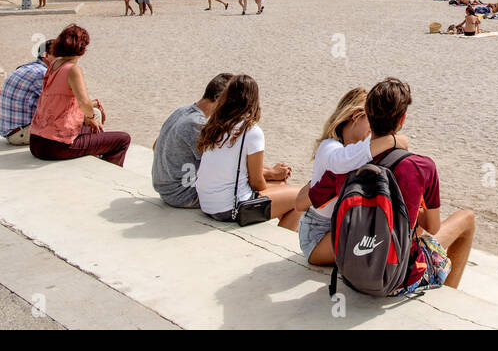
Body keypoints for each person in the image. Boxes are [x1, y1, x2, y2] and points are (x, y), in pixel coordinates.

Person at [305, 77, 475, 292]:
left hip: (353, 271)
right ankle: (447, 301)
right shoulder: (422, 166)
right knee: (466, 219)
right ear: (402, 119)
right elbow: (433, 227)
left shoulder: (349, 162)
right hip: (396, 277)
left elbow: (312, 198)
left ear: (368, 113)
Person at [294, 87, 411, 265]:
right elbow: (342, 162)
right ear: (357, 116)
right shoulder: (330, 147)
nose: (373, 131)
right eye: (371, 121)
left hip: (338, 226)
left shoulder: (357, 151)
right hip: (318, 236)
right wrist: (392, 140)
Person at [194, 74, 299, 227]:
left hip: (207, 204)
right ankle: (277, 242)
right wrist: (271, 191)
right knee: (302, 197)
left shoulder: (215, 125)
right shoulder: (251, 131)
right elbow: (256, 182)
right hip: (230, 209)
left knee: (281, 187)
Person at [29, 24, 131, 166]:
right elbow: (84, 103)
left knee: (93, 133)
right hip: (56, 146)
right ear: (83, 48)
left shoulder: (54, 64)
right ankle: (107, 177)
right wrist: (90, 117)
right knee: (122, 139)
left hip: (36, 142)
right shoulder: (72, 69)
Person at [152, 73, 236, 208]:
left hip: (166, 188)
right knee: (255, 188)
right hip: (182, 195)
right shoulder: (196, 124)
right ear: (218, 99)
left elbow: (155, 146)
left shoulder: (181, 111)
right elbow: (220, 166)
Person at [0, 39, 55, 145]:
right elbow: (56, 106)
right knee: (90, 115)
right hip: (21, 133)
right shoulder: (42, 73)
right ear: (46, 55)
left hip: (13, 132)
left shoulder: (29, 67)